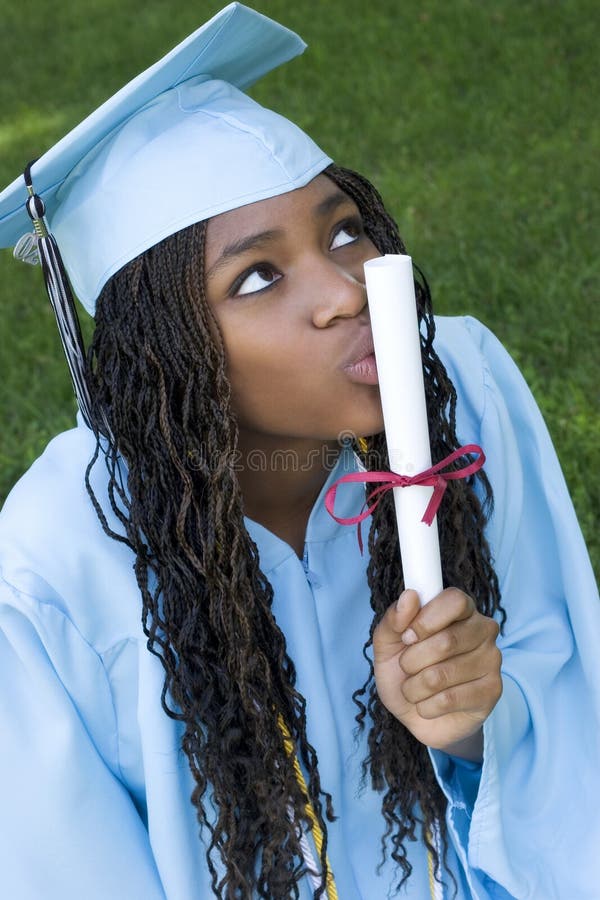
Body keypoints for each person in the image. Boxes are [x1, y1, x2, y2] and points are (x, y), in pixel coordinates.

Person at [0, 4, 598, 899]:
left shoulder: (459, 394)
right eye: (258, 277)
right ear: (166, 356)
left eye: (345, 231)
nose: (347, 291)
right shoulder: (58, 562)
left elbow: (567, 710)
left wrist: (475, 725)